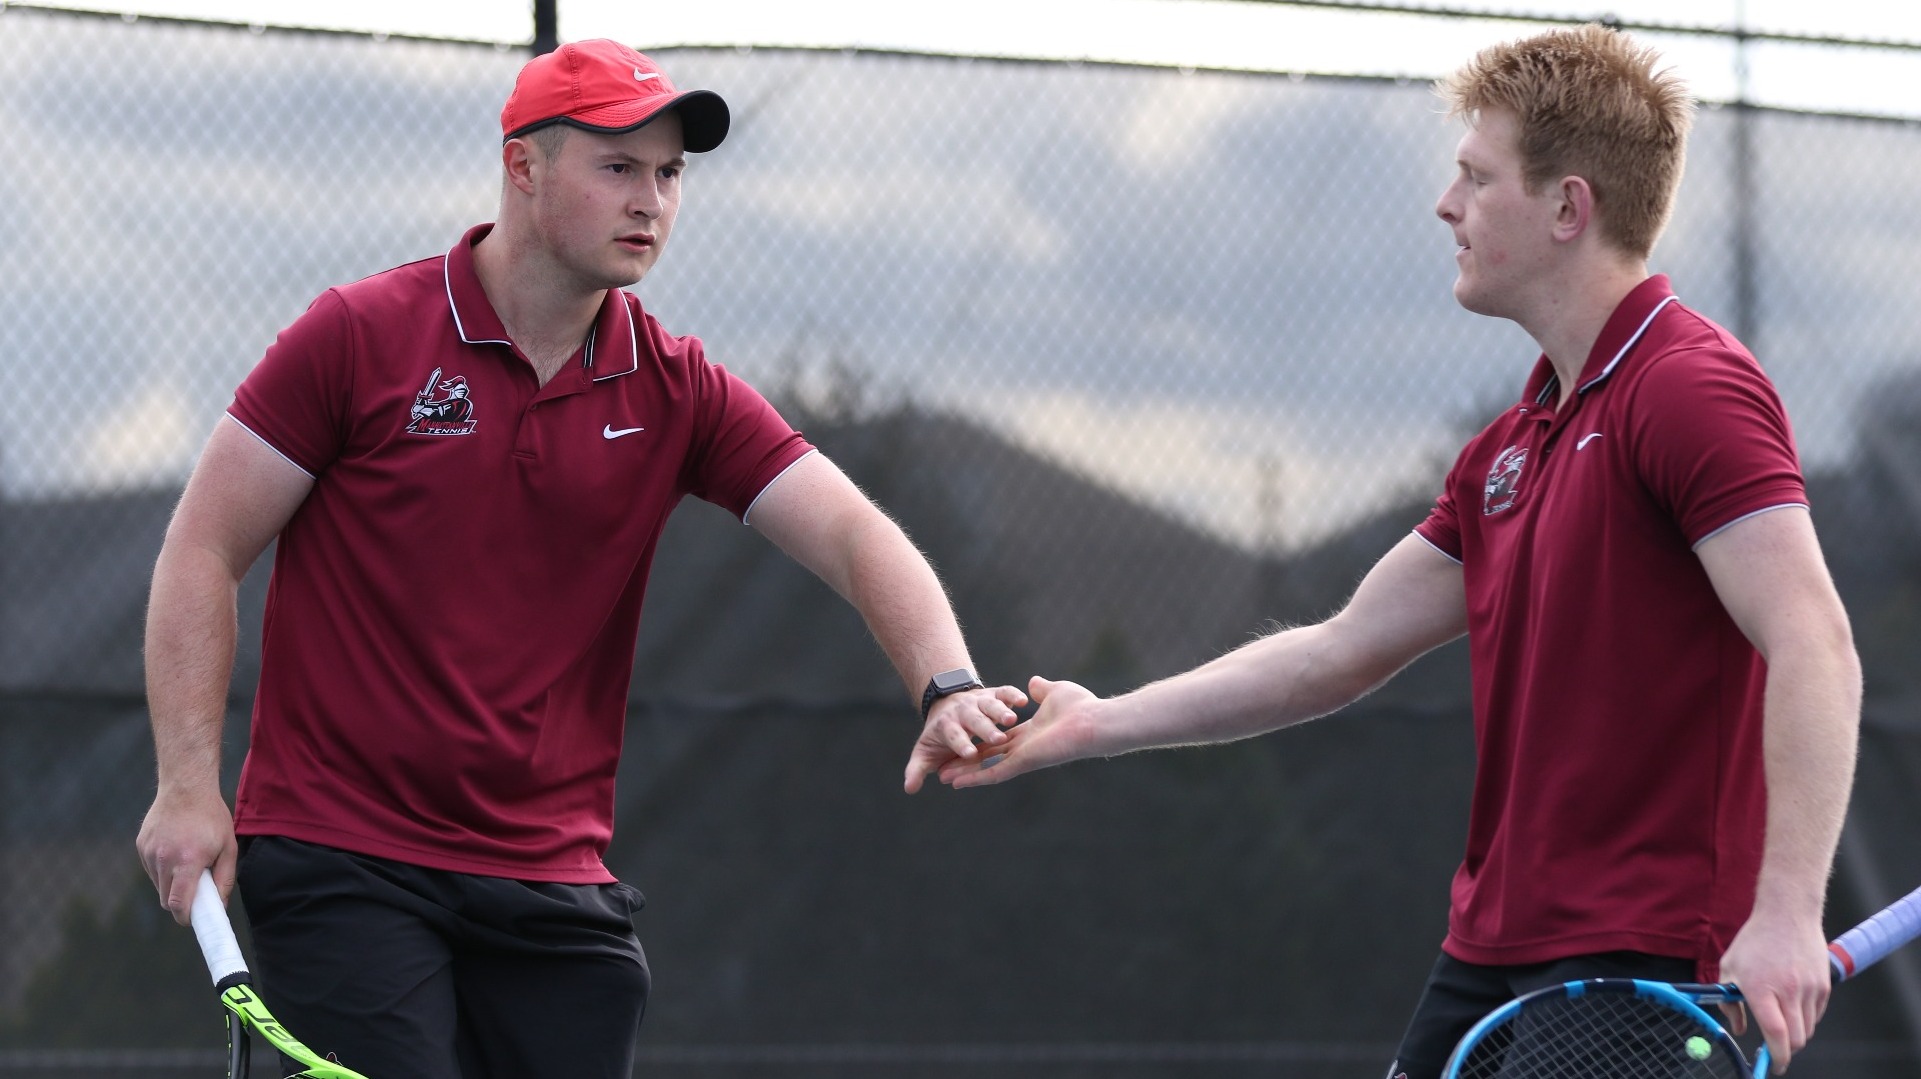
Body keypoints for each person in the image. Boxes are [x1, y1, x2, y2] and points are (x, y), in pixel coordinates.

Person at [933, 24, 1859, 1078]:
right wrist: (1096, 722)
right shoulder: (1509, 448)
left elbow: (1813, 641)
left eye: (1475, 175)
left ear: (1567, 207)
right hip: (1493, 952)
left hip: (1642, 958)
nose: (1445, 203)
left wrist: (1786, 913)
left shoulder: (1690, 389)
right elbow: (1336, 649)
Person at [135, 39, 1026, 1079]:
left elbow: (851, 530)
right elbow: (202, 548)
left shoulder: (676, 388)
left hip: (551, 883)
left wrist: (946, 680)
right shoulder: (356, 338)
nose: (650, 199)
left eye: (670, 173)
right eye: (617, 167)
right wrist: (187, 786)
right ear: (523, 168)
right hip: (346, 858)